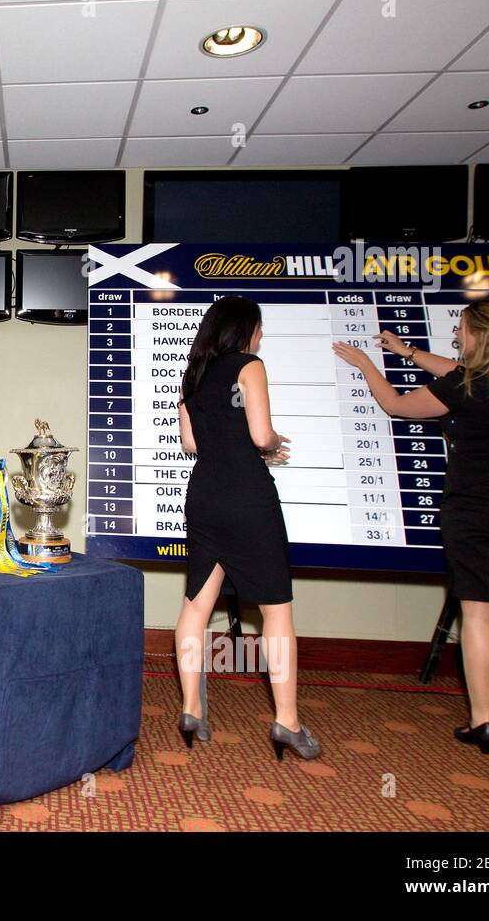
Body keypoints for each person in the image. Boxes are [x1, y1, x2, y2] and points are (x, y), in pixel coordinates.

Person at [334, 298, 489, 759]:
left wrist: (367, 363)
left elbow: (395, 405)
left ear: (480, 336)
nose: (456, 335)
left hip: (476, 510)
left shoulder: (466, 387)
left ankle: (482, 721)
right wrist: (407, 351)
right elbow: (456, 370)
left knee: (480, 615)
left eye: (462, 329)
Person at [176, 296, 321, 761]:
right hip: (246, 498)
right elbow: (261, 435)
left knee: (197, 606)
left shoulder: (194, 375)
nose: (262, 337)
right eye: (259, 328)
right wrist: (274, 447)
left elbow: (191, 443)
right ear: (245, 331)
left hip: (203, 497)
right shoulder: (250, 366)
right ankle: (287, 722)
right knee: (276, 612)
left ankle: (192, 709)